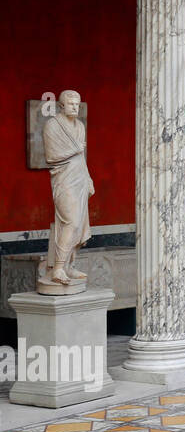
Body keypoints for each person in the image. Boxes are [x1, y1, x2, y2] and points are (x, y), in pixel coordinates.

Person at [39, 90, 93, 288]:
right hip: (63, 179)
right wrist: (75, 149)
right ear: (61, 105)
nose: (75, 108)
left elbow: (81, 157)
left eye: (77, 105)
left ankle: (69, 265)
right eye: (71, 104)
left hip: (79, 177)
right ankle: (58, 268)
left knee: (79, 224)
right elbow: (51, 156)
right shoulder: (52, 125)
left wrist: (88, 177)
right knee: (70, 220)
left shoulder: (79, 126)